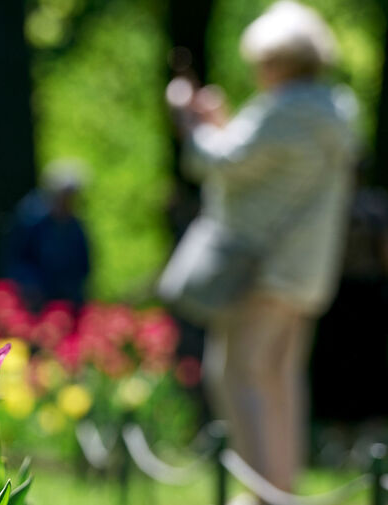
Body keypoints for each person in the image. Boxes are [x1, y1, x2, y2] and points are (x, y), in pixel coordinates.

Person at [164, 1, 357, 499]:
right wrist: (222, 123)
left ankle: (262, 493)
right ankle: (281, 487)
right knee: (281, 379)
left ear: (279, 61)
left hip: (261, 269)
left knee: (236, 376)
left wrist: (190, 120)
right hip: (306, 271)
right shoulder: (336, 110)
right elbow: (259, 164)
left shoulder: (285, 108)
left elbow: (217, 161)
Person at [2, 160, 92, 310]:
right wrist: (29, 284)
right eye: (65, 197)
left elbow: (84, 266)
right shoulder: (30, 221)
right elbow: (13, 260)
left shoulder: (75, 227)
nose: (69, 203)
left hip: (68, 301)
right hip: (35, 300)